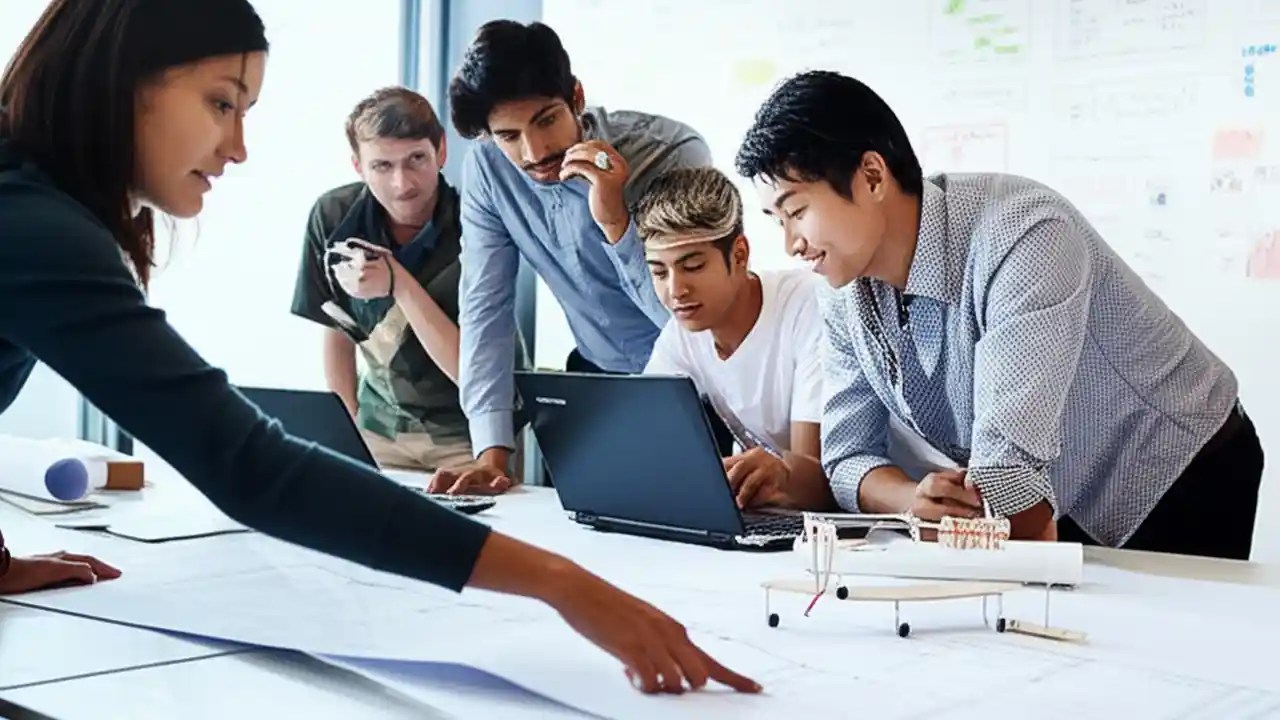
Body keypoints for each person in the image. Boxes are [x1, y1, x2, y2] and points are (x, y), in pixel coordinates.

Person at [0, 0, 760, 696]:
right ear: (122, 82)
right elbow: (249, 466)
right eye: (220, 104)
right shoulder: (34, 227)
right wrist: (563, 583)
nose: (236, 147)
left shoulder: (31, 206)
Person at [735, 69, 1263, 560]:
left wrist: (980, 525)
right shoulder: (841, 287)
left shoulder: (1021, 233)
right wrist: (911, 500)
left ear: (872, 176)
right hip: (1048, 492)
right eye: (775, 219)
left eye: (797, 211)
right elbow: (847, 455)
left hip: (1174, 466)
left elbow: (1006, 470)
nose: (790, 245)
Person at [432, 20, 712, 495]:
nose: (534, 151)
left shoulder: (669, 154)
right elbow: (485, 308)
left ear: (577, 98)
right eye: (508, 135)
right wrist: (492, 455)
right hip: (594, 380)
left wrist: (616, 223)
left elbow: (687, 317)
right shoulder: (487, 168)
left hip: (696, 386)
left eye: (546, 120)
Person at [290, 87, 472, 472]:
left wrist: (399, 283)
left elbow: (473, 373)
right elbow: (336, 328)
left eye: (416, 159)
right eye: (382, 166)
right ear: (358, 166)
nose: (402, 184)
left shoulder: (475, 224)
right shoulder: (332, 215)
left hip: (468, 435)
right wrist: (346, 431)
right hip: (376, 430)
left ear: (441, 151)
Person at [636, 167, 835, 513]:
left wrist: (782, 474)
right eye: (658, 271)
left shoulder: (808, 304)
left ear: (739, 255)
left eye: (693, 266)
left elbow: (822, 480)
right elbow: (642, 441)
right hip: (780, 522)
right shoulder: (682, 333)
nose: (675, 290)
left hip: (886, 520)